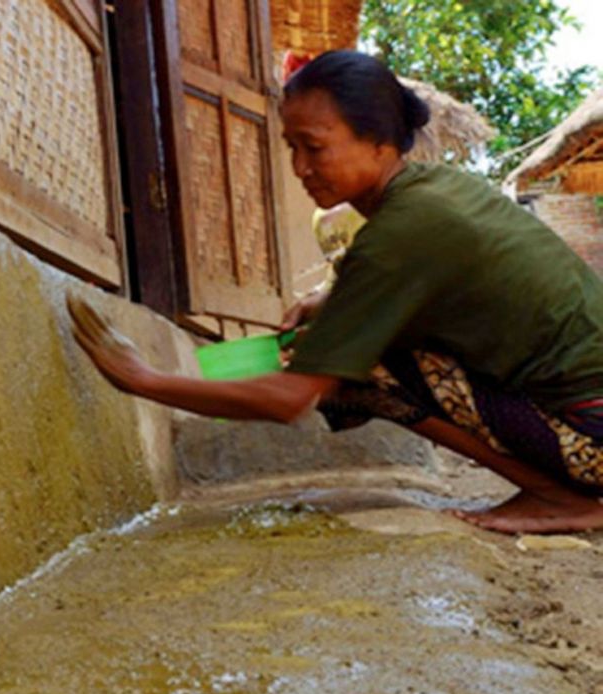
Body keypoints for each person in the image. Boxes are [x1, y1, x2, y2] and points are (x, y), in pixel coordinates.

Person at [69, 50, 603, 534]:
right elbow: (440, 279)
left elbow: (292, 398)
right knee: (353, 346)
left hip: (593, 442)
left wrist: (143, 379)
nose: (300, 168)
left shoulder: (399, 232)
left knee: (364, 371)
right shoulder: (439, 191)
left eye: (315, 148)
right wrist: (332, 302)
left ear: (379, 141)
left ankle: (557, 497)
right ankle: (556, 488)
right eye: (292, 148)